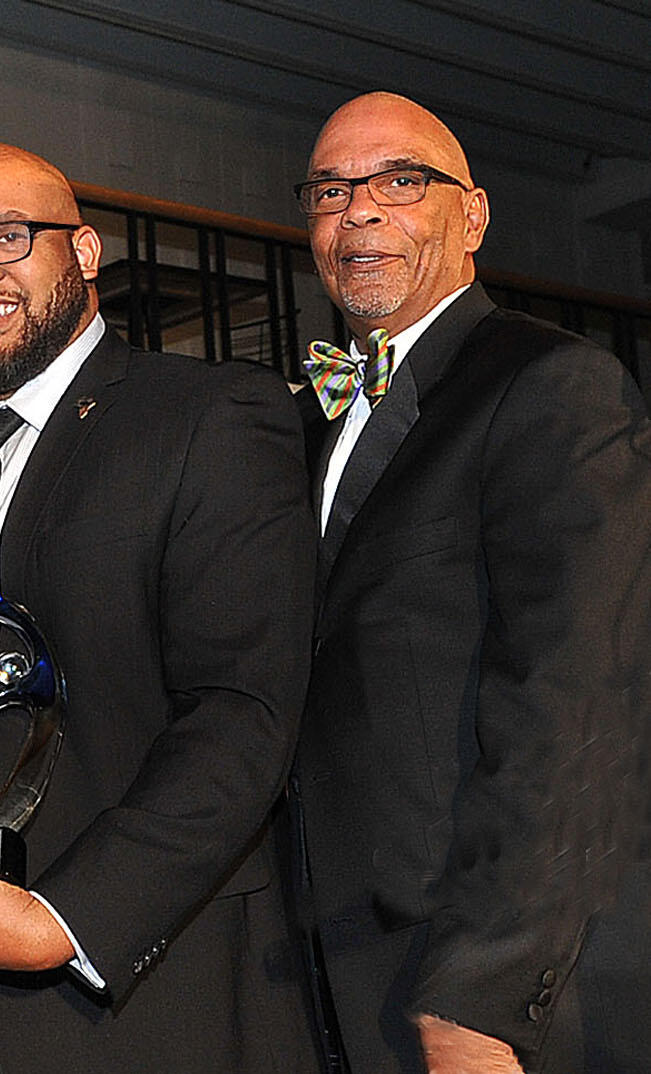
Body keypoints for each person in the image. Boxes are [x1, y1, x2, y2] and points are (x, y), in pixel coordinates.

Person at [0, 141, 319, 1073]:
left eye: (8, 236)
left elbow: (243, 712)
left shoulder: (210, 416)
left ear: (86, 252)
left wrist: (67, 919)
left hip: (139, 1006)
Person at [292, 92, 651, 1074]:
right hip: (332, 976)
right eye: (330, 189)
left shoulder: (553, 384)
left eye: (400, 181)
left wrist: (485, 989)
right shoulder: (313, 412)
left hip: (486, 989)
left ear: (475, 216)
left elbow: (576, 699)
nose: (358, 209)